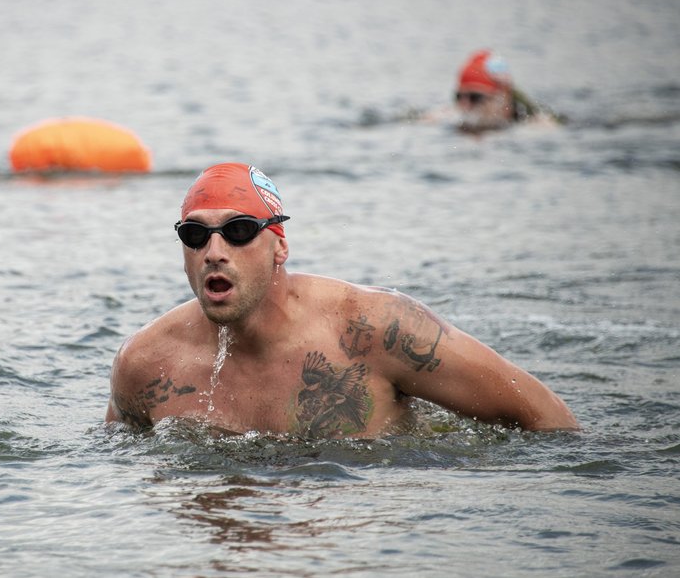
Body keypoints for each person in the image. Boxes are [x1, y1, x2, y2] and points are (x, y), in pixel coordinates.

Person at [106, 162, 579, 438]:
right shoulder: (146, 362)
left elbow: (545, 419)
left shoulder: (376, 329)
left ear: (280, 246)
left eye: (238, 231)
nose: (214, 252)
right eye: (195, 234)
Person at [453, 49, 561, 133]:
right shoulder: (451, 117)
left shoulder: (536, 126)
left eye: (475, 97)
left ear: (501, 97)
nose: (464, 105)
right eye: (458, 97)